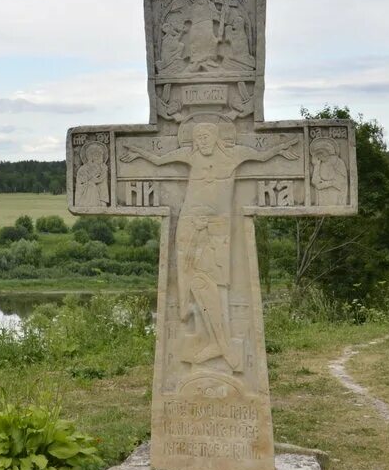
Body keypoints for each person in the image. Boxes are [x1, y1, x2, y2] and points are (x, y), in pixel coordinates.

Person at [120, 121, 297, 373]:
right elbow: (160, 159)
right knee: (195, 283)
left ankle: (220, 345)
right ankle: (219, 344)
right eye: (197, 137)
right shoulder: (190, 156)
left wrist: (285, 147)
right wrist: (137, 153)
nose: (201, 141)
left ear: (215, 136)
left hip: (217, 229)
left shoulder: (234, 155)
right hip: (189, 226)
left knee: (215, 283)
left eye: (205, 136)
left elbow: (262, 155)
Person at [75, 141, 109, 207]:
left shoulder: (102, 167)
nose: (101, 157)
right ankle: (95, 203)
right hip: (86, 195)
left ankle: (102, 201)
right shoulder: (83, 169)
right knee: (91, 185)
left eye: (102, 154)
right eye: (98, 155)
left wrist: (104, 172)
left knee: (102, 184)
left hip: (99, 194)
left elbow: (102, 183)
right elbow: (82, 184)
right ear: (91, 156)